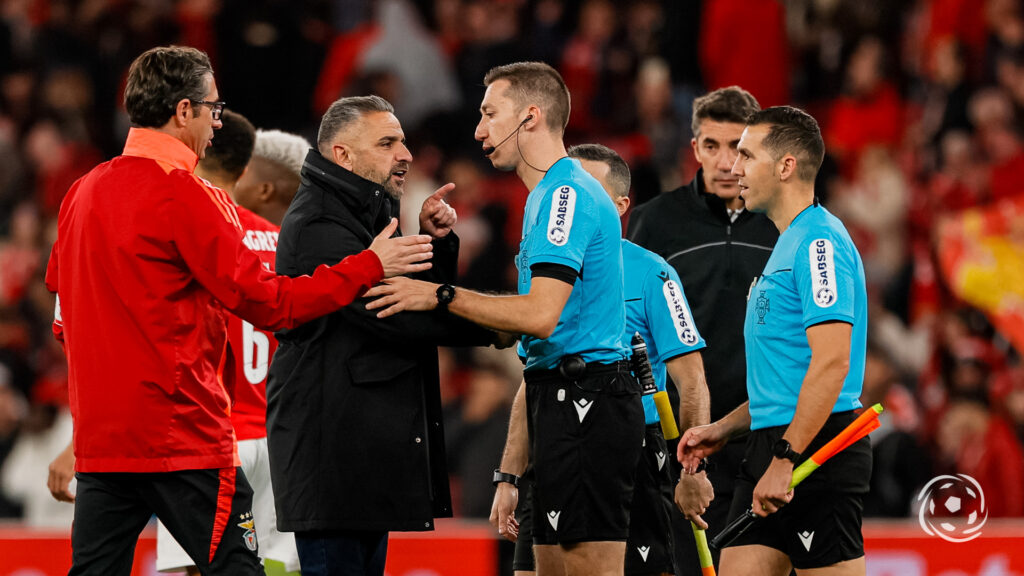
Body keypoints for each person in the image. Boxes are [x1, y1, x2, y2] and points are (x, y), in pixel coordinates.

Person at [44, 46, 433, 576]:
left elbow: (65, 323)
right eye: (213, 108)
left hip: (103, 444)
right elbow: (274, 305)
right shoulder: (186, 195)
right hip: (183, 440)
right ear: (184, 111)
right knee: (239, 571)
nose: (216, 122)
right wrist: (368, 265)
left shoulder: (79, 193)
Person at [365, 62, 644, 576]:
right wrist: (511, 470)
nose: (479, 130)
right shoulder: (544, 197)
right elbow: (534, 346)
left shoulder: (565, 195)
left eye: (491, 114)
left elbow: (538, 316)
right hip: (556, 398)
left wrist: (439, 295)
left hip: (589, 402)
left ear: (531, 117)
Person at [267, 95, 501, 576]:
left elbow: (415, 298)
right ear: (343, 155)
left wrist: (433, 243)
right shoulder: (319, 225)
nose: (406, 154)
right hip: (332, 466)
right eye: (388, 142)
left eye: (404, 141)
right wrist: (505, 323)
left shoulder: (363, 212)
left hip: (360, 460)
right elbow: (398, 314)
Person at [680, 106, 871, 576]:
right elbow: (787, 379)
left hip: (815, 450)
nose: (733, 167)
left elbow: (831, 364)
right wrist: (723, 428)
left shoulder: (818, 244)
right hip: (771, 446)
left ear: (786, 166)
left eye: (746, 155)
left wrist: (787, 458)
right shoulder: (787, 244)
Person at [509, 143, 714, 576]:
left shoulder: (654, 274)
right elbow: (531, 377)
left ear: (620, 206)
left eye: (592, 192)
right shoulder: (545, 271)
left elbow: (691, 380)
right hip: (555, 439)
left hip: (631, 448)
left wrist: (693, 469)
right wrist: (507, 477)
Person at [626, 86, 777, 575]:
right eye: (712, 146)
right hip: (680, 438)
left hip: (763, 429)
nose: (726, 161)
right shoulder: (655, 222)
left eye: (738, 147)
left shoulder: (784, 225)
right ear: (694, 149)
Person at [155, 119, 309, 576]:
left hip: (213, 437)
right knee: (276, 569)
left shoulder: (193, 234)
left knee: (197, 568)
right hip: (283, 441)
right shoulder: (283, 243)